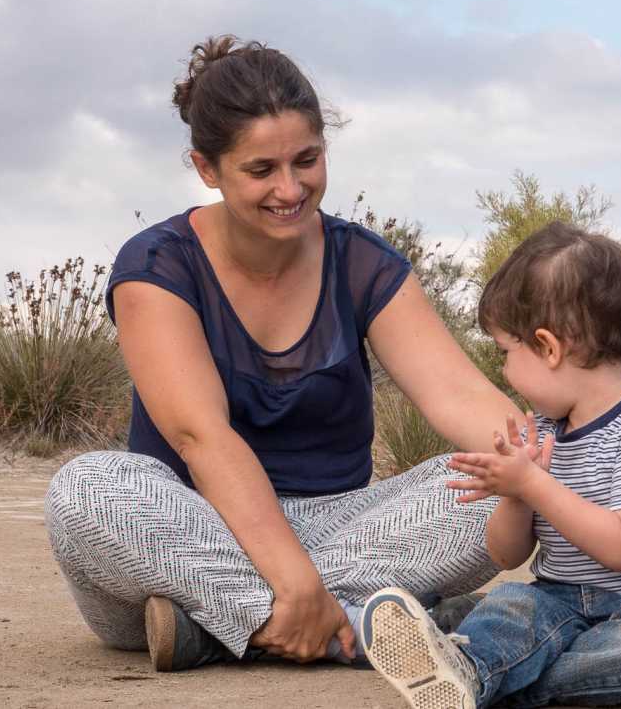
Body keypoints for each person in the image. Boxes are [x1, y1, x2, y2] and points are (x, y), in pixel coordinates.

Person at [44, 36, 521, 672]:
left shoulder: (362, 263)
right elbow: (200, 437)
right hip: (184, 540)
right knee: (88, 489)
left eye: (307, 160)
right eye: (261, 170)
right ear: (207, 169)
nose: (291, 189)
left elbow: (459, 396)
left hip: (338, 531)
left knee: (497, 483)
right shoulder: (156, 267)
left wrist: (553, 466)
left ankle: (221, 631)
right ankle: (353, 623)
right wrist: (293, 582)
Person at [360, 222, 621, 708]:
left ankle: (477, 675)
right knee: (513, 604)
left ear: (548, 347)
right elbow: (506, 556)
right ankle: (477, 669)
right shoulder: (542, 432)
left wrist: (535, 485)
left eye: (506, 352)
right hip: (556, 601)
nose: (503, 371)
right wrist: (516, 496)